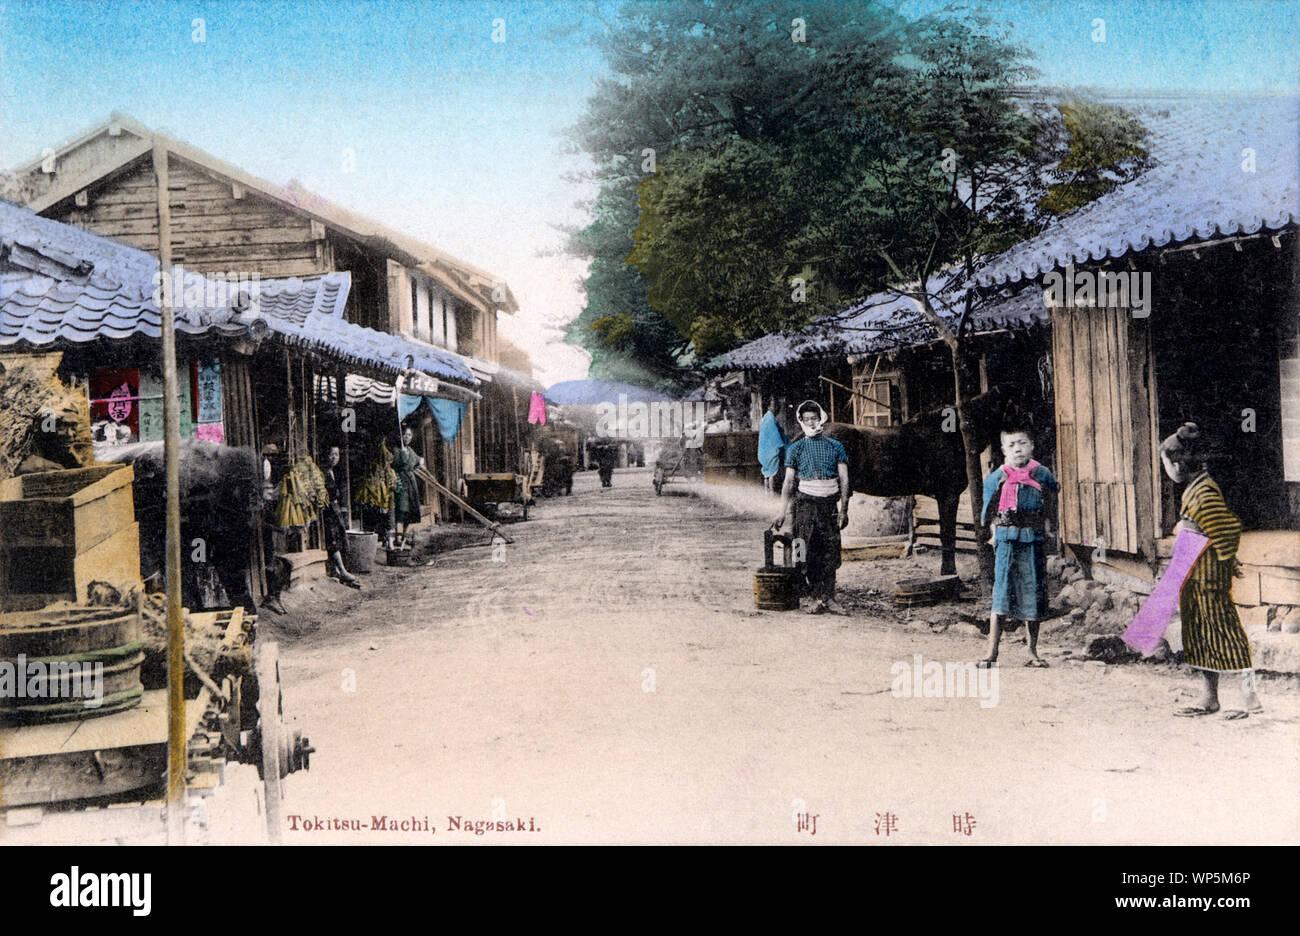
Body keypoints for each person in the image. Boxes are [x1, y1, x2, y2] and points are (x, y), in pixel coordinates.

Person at [1161, 423, 1262, 719]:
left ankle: (1249, 699)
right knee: (1199, 632)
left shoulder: (1204, 491)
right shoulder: (1195, 489)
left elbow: (1227, 527)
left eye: (1167, 464)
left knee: (1224, 632)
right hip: (1195, 574)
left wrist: (1227, 557)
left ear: (1178, 464)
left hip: (1209, 575)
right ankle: (1209, 697)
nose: (1167, 471)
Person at [979, 422, 1059, 667]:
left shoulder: (1042, 474)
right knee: (1001, 593)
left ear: (1032, 446)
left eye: (1022, 443)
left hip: (1032, 540)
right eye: (1011, 445)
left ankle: (1032, 652)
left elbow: (1052, 502)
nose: (1018, 449)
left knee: (1032, 593)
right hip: (1005, 541)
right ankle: (992, 652)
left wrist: (1048, 527)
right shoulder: (997, 478)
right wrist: (993, 529)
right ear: (1004, 450)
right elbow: (987, 511)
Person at [773, 400, 849, 614]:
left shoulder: (835, 447)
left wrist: (844, 510)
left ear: (821, 418)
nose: (810, 423)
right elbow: (788, 482)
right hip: (805, 506)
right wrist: (782, 512)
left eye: (814, 418)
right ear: (800, 422)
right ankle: (809, 597)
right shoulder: (795, 449)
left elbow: (844, 480)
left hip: (829, 506)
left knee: (830, 551)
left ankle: (829, 596)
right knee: (803, 550)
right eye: (806, 419)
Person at [322, 446, 361, 588]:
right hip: (327, 510)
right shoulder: (323, 473)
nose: (334, 458)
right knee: (332, 538)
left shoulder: (334, 472)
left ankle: (339, 569)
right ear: (326, 456)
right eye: (331, 454)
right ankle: (341, 570)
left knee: (340, 535)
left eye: (337, 455)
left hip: (334, 508)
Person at [391, 425, 424, 547]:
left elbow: (417, 461)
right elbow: (398, 463)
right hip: (401, 481)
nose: (407, 437)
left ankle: (404, 535)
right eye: (405, 434)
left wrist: (420, 461)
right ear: (400, 436)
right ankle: (397, 537)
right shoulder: (396, 450)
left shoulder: (409, 450)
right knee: (402, 509)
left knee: (410, 509)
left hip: (411, 482)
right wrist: (404, 455)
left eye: (409, 435)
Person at [758, 398, 788, 495]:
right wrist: (782, 445)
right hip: (770, 449)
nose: (776, 408)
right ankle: (771, 492)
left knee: (767, 473)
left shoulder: (767, 417)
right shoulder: (770, 418)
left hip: (764, 450)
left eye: (776, 406)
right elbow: (774, 435)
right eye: (774, 406)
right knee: (772, 473)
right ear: (769, 407)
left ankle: (767, 492)